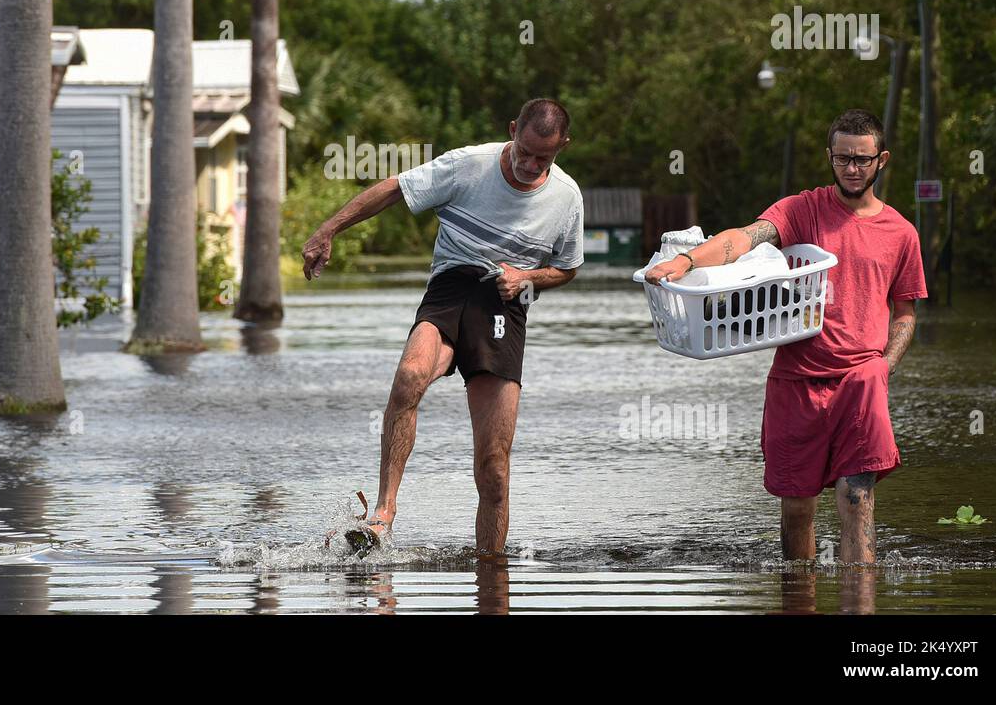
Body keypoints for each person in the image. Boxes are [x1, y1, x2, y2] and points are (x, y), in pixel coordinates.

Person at [302, 98, 585, 556]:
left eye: (543, 157)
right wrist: (328, 230)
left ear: (562, 147)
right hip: (452, 287)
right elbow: (395, 187)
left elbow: (567, 269)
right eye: (524, 150)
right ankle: (383, 516)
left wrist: (528, 277)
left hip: (502, 305)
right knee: (411, 375)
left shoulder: (567, 198)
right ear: (513, 129)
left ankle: (491, 575)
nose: (531, 164)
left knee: (494, 468)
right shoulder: (469, 165)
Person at [645, 109, 927, 563]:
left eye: (861, 160)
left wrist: (884, 365)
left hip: (862, 379)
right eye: (842, 159)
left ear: (882, 160)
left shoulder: (902, 233)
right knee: (797, 509)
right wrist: (688, 262)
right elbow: (746, 237)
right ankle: (799, 594)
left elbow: (906, 313)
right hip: (796, 380)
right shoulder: (803, 209)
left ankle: (861, 608)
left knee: (858, 500)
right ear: (829, 158)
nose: (851, 169)